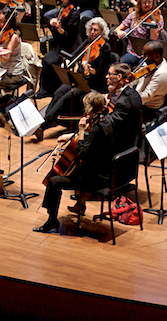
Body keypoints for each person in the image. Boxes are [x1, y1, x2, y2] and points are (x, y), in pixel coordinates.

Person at [33, 91, 121, 234]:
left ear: (90, 108)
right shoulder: (108, 121)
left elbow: (82, 151)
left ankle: (51, 220)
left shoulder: (96, 128)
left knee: (54, 182)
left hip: (94, 179)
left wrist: (80, 131)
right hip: (106, 171)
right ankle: (79, 206)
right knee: (71, 169)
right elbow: (93, 144)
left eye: (86, 106)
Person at [36, 17, 113, 139]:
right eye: (91, 29)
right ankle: (44, 120)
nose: (93, 32)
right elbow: (74, 54)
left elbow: (101, 73)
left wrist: (91, 70)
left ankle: (44, 125)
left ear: (102, 31)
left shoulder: (105, 47)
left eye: (96, 30)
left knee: (66, 97)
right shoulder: (88, 42)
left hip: (94, 84)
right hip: (81, 79)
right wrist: (68, 61)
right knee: (59, 92)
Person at [39, 0, 85, 97]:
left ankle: (53, 89)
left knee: (50, 61)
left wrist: (58, 27)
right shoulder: (62, 9)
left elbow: (67, 34)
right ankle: (46, 89)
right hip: (60, 42)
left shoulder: (75, 13)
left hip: (70, 44)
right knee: (45, 60)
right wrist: (52, 23)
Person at [114, 0, 167, 65]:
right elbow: (117, 29)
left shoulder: (158, 17)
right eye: (144, 2)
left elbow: (154, 39)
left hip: (149, 54)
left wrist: (152, 25)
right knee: (122, 64)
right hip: (133, 52)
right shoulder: (133, 15)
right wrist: (119, 32)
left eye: (149, 2)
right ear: (140, 3)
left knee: (143, 68)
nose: (147, 4)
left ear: (153, 2)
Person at [132, 40, 167, 120]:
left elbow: (146, 96)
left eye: (146, 55)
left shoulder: (161, 74)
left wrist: (127, 95)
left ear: (157, 56)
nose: (143, 57)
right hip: (139, 98)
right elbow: (138, 78)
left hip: (148, 108)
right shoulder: (151, 62)